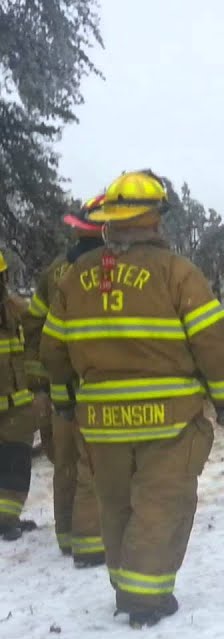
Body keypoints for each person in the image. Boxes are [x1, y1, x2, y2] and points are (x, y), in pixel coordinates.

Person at [41, 169, 224, 628]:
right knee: (161, 502)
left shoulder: (74, 279)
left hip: (100, 422)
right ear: (155, 219)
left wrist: (64, 401)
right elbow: (211, 341)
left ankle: (125, 584)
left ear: (110, 220)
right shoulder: (177, 273)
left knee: (116, 504)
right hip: (168, 420)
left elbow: (52, 349)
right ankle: (144, 598)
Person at [22, 196, 107, 565]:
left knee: (66, 464)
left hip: (62, 388)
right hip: (95, 385)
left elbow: (34, 325)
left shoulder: (55, 270)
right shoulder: (107, 269)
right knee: (95, 463)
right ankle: (91, 541)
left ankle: (67, 535)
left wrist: (43, 382)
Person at [0, 249, 37, 541]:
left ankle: (7, 518)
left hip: (17, 406)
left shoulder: (16, 309)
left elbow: (39, 327)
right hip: (14, 406)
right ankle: (6, 519)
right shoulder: (13, 307)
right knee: (13, 462)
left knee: (14, 462)